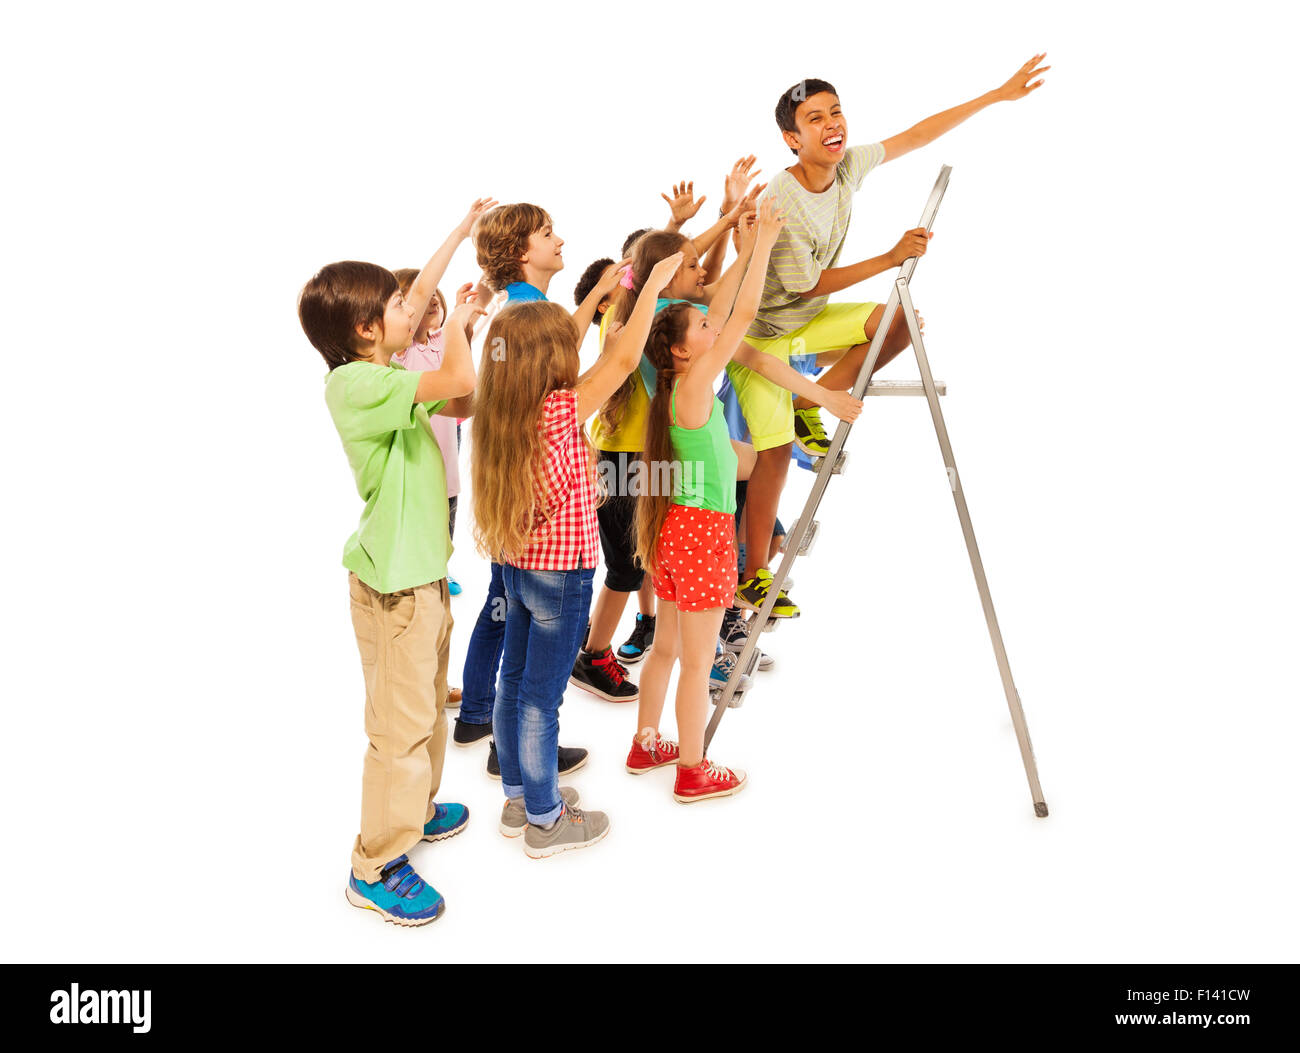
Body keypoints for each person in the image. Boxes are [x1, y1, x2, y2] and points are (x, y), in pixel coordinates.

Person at [728, 57, 1050, 620]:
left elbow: (917, 134)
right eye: (815, 118)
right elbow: (805, 288)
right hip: (762, 335)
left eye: (836, 111)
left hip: (807, 322)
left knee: (897, 319)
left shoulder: (847, 165)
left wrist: (996, 95)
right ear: (791, 139)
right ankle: (754, 575)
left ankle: (810, 398)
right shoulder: (783, 199)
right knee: (773, 457)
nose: (832, 124)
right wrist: (890, 256)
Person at [298, 200, 488, 926]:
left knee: (426, 714)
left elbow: (419, 311)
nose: (412, 311)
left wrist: (459, 233)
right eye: (396, 307)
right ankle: (374, 861)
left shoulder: (383, 372)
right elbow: (455, 383)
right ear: (364, 330)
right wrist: (462, 326)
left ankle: (418, 808)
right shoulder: (358, 384)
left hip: (423, 574)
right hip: (393, 584)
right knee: (398, 727)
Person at [470, 251, 683, 855]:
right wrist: (650, 290)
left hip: (515, 569)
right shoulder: (560, 411)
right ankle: (545, 818)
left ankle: (518, 795)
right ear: (549, 360)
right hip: (561, 579)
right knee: (542, 697)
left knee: (515, 682)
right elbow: (619, 359)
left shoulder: (501, 414)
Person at [454, 204, 626, 766]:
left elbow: (556, 349)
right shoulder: (527, 309)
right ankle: (510, 742)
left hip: (515, 496)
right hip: (538, 512)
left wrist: (595, 295)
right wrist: (600, 296)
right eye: (547, 233)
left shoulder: (518, 307)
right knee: (512, 630)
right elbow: (563, 355)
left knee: (502, 608)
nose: (559, 240)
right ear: (523, 252)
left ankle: (487, 721)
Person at [629, 200, 785, 802]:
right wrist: (765, 243)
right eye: (699, 329)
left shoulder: (679, 386)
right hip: (701, 534)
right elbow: (741, 312)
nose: (709, 328)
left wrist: (743, 248)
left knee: (668, 647)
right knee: (697, 662)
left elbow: (719, 313)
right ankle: (692, 770)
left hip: (678, 531)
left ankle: (647, 740)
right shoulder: (695, 383)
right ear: (681, 350)